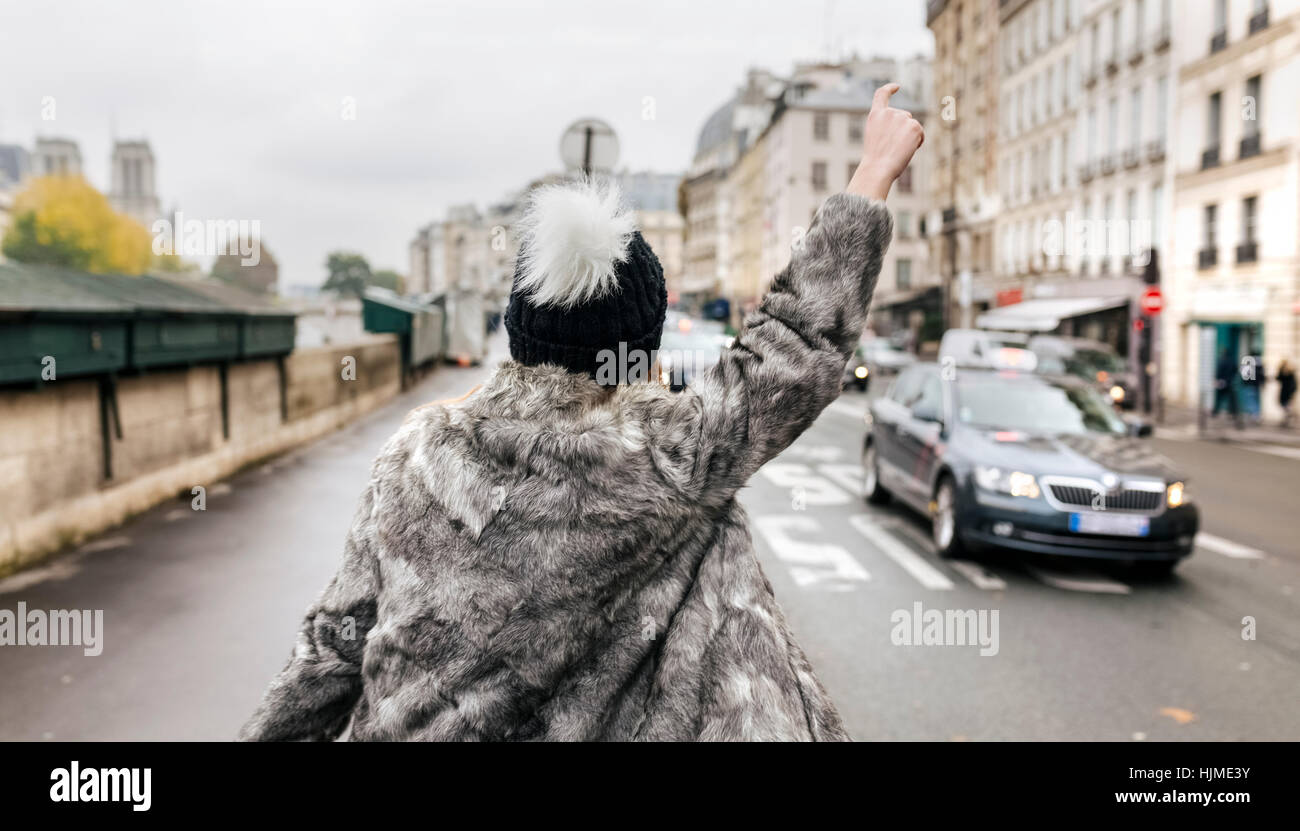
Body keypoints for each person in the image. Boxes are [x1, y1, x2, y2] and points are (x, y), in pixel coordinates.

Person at [238, 84, 923, 742]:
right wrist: (869, 178)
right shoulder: (667, 460)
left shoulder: (416, 459)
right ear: (642, 348)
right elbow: (791, 350)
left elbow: (332, 647)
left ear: (518, 331)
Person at [1278, 359, 1297, 428]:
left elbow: (1294, 384)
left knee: (1286, 406)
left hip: (1288, 392)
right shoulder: (1283, 372)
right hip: (1285, 391)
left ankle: (1288, 418)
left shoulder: (1291, 373)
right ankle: (1287, 418)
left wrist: (1292, 392)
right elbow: (1278, 378)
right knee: (1284, 405)